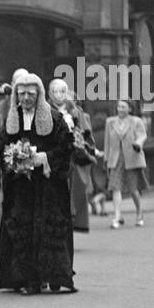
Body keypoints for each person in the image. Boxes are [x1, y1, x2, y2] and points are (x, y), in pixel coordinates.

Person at [0, 72, 77, 294]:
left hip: (48, 186)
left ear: (39, 94)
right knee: (23, 228)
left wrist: (45, 158)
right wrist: (14, 159)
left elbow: (66, 147)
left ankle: (53, 276)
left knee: (48, 228)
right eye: (21, 94)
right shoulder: (12, 118)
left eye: (30, 94)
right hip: (21, 186)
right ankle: (27, 279)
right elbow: (1, 146)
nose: (25, 98)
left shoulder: (54, 117)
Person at [48, 79, 95, 236]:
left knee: (73, 195)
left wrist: (80, 144)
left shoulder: (75, 112)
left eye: (63, 91)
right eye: (56, 91)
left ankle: (69, 227)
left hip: (72, 161)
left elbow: (85, 136)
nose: (59, 95)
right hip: (52, 159)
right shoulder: (44, 109)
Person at [103, 98, 149, 227]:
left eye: (123, 107)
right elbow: (107, 143)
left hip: (132, 158)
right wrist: (106, 159)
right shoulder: (110, 122)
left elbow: (142, 135)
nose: (120, 109)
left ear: (130, 109)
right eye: (119, 107)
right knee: (115, 187)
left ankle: (139, 212)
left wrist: (138, 143)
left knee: (133, 189)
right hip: (116, 159)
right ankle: (117, 216)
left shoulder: (136, 121)